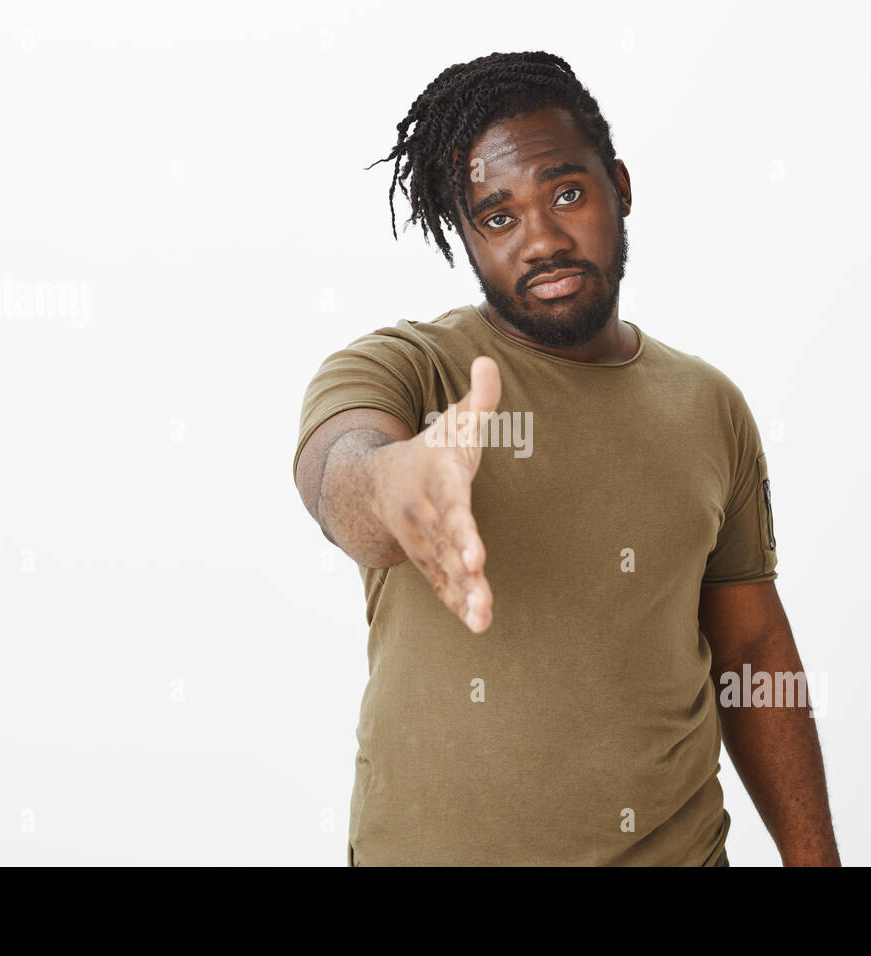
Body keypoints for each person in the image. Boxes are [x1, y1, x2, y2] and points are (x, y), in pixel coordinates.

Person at [293, 50, 840, 867]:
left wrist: (814, 858)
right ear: (463, 234)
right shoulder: (405, 368)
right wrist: (398, 486)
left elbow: (751, 649)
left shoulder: (709, 406)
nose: (543, 239)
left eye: (567, 193)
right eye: (498, 216)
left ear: (619, 186)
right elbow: (342, 474)